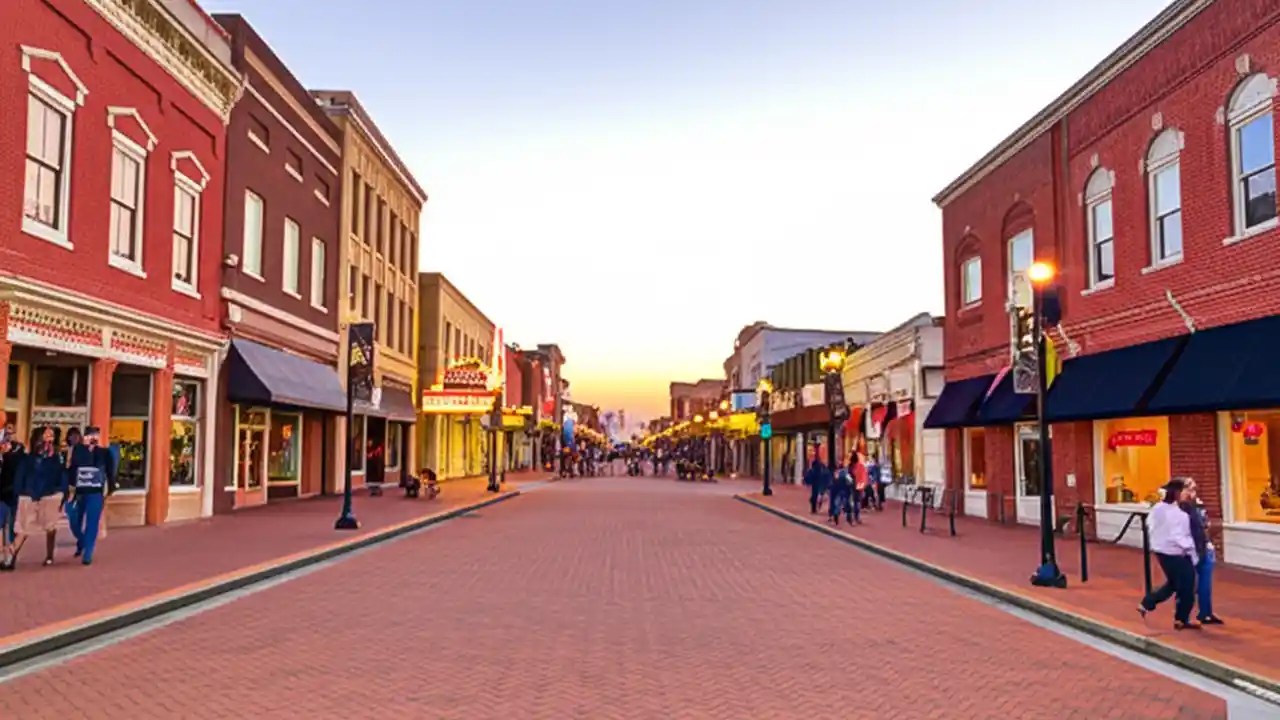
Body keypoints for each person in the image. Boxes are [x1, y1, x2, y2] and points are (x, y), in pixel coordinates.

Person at [1138, 478, 1199, 630]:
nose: (1189, 494)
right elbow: (1179, 536)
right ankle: (1181, 619)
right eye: (1186, 490)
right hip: (1176, 552)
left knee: (1173, 583)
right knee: (1187, 585)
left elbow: (1150, 525)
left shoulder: (1158, 508)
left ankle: (1147, 603)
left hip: (1161, 550)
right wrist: (1191, 549)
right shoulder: (1178, 514)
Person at [3, 426, 67, 569]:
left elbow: (62, 475)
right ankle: (10, 555)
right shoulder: (28, 458)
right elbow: (20, 476)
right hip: (29, 494)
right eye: (47, 435)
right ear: (39, 437)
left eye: (51, 435)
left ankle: (49, 555)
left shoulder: (57, 457)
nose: (50, 437)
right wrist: (19, 493)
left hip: (49, 494)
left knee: (50, 526)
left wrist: (62, 493)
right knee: (23, 528)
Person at [66, 426, 116, 565]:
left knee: (92, 523)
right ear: (85, 437)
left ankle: (88, 553)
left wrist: (110, 489)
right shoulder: (78, 450)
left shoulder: (104, 453)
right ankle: (82, 540)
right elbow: (72, 469)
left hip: (95, 492)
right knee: (74, 519)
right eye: (90, 436)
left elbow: (110, 473)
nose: (93, 439)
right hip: (79, 492)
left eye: (95, 436)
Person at [1181, 478, 1223, 625]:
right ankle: (1182, 617)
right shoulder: (1178, 509)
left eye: (1194, 489)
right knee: (1188, 584)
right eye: (1189, 489)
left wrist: (1208, 542)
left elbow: (1204, 524)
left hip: (1203, 547)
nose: (1192, 492)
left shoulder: (1197, 505)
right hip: (1188, 550)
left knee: (1205, 582)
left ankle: (1206, 613)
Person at [0, 430, 22, 568]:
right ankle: (5, 556)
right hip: (3, 496)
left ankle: (10, 556)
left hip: (12, 495)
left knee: (13, 528)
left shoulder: (16, 456)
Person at [803, 445, 831, 515]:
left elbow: (808, 477)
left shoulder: (816, 470)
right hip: (819, 485)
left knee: (816, 496)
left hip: (817, 485)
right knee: (818, 496)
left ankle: (815, 508)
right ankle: (816, 508)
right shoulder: (822, 469)